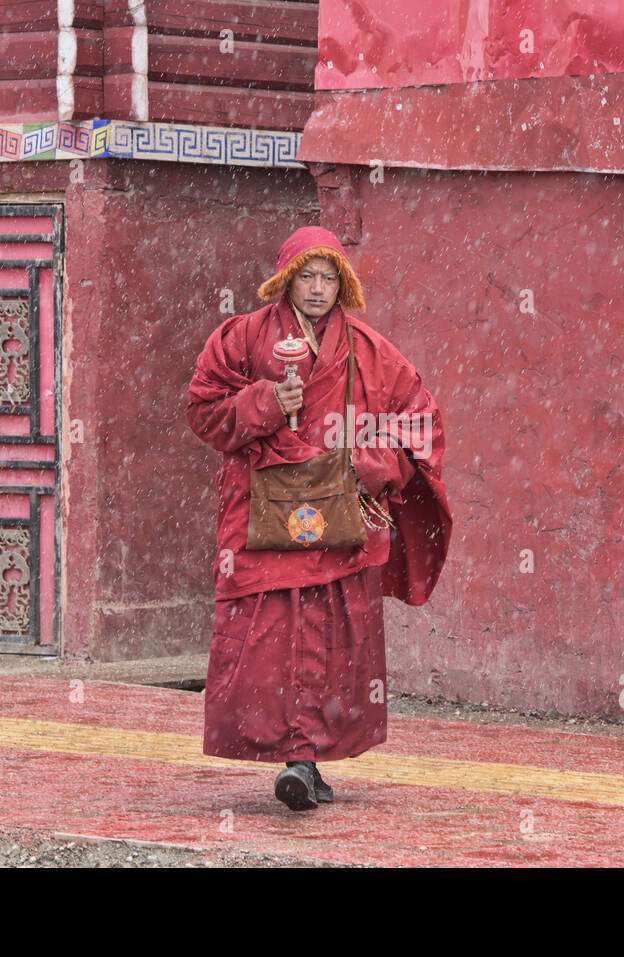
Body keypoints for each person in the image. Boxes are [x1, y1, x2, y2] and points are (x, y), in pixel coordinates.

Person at [186, 225, 452, 810]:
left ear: (343, 284)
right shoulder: (243, 337)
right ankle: (299, 759)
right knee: (273, 638)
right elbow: (202, 408)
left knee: (331, 637)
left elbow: (421, 421)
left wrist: (369, 465)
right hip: (264, 518)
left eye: (328, 276)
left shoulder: (371, 350)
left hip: (339, 519)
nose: (316, 287)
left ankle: (308, 759)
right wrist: (260, 404)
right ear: (284, 280)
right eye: (305, 275)